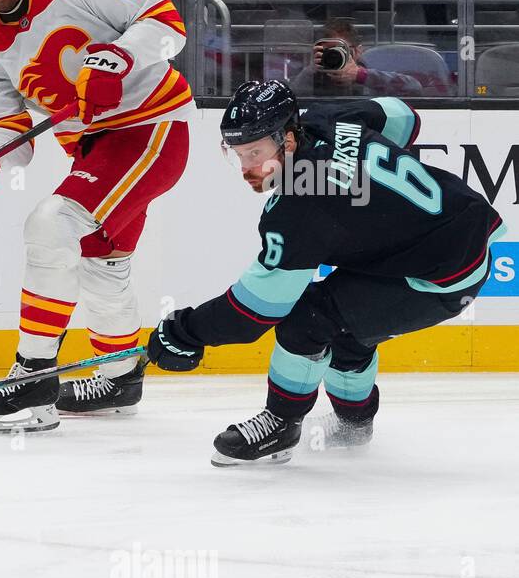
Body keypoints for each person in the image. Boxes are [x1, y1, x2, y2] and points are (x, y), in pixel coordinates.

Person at [148, 80, 507, 465]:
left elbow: (255, 313)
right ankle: (355, 427)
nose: (246, 168)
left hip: (442, 276)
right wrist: (377, 200)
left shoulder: (300, 207)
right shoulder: (327, 119)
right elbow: (405, 118)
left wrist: (185, 331)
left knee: (307, 320)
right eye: (238, 153)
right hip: (449, 233)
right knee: (348, 334)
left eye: (256, 152)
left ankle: (281, 423)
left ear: (287, 139)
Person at [0, 0, 192, 433]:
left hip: (152, 125)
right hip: (93, 152)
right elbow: (11, 137)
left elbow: (166, 23)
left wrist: (116, 57)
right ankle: (119, 377)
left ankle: (33, 376)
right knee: (102, 259)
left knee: (51, 225)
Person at [290, 18, 427, 98]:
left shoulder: (371, 78)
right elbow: (293, 96)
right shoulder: (313, 77)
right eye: (328, 51)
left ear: (358, 51)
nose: (334, 56)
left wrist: (360, 76)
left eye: (341, 50)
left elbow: (414, 88)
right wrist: (312, 69)